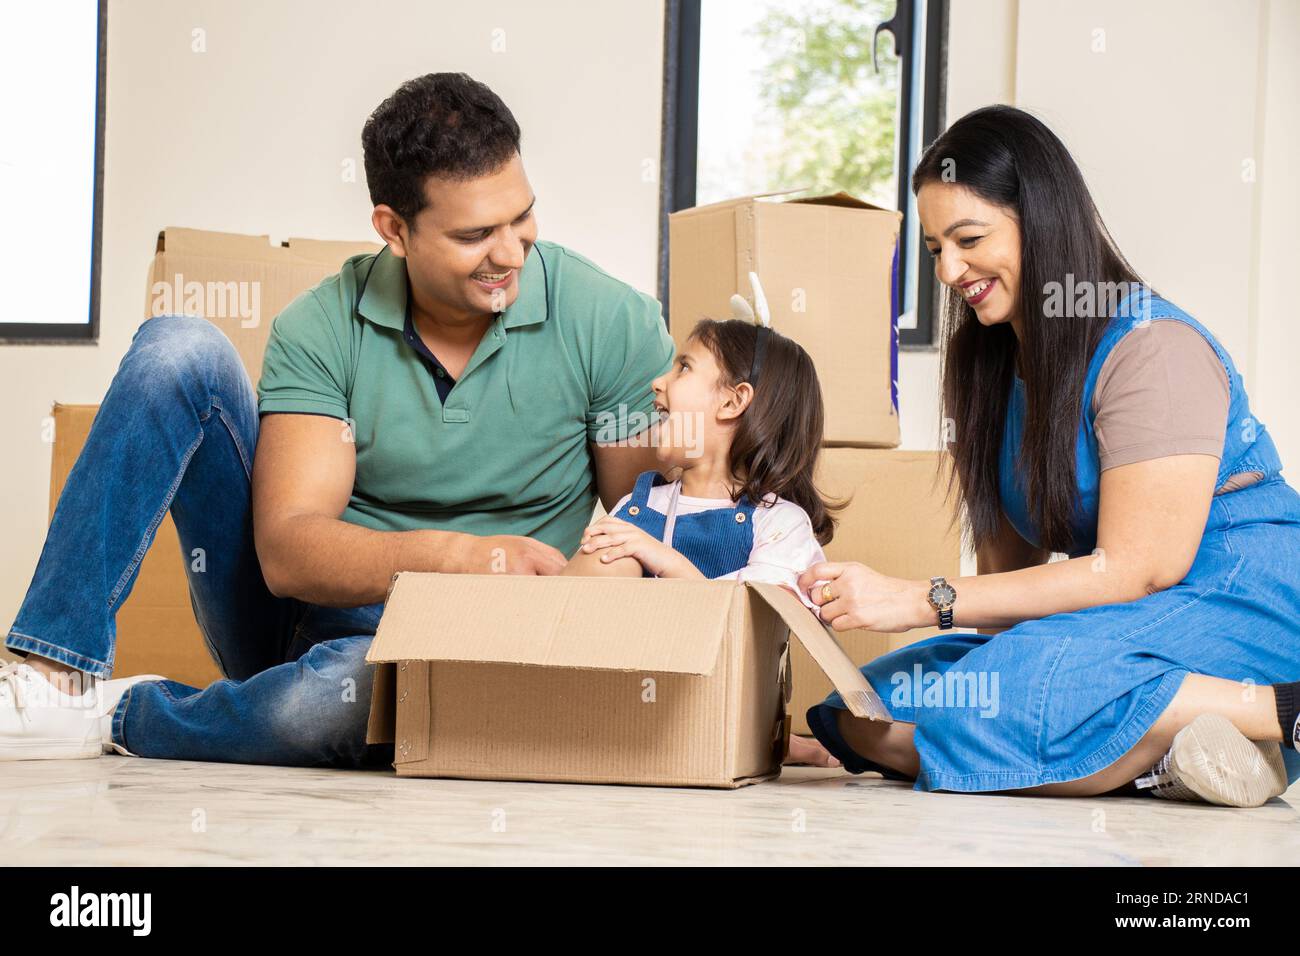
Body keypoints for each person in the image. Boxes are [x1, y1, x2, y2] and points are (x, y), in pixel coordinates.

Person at [0, 72, 672, 765]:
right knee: (177, 349)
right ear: (395, 229)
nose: (510, 254)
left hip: (487, 659)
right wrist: (458, 557)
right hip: (311, 630)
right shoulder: (321, 325)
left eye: (521, 217)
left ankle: (119, 716)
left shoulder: (609, 320)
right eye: (474, 234)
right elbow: (289, 552)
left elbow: (648, 523)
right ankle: (51, 680)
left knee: (330, 703)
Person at [802, 105, 1300, 807]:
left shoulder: (1152, 350)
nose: (948, 269)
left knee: (1023, 686)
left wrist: (916, 599)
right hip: (1126, 617)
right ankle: (1166, 748)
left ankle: (1274, 713)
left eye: (968, 239)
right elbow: (1007, 596)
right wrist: (965, 658)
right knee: (869, 703)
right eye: (935, 249)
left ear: (1042, 220)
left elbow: (1140, 570)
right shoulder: (994, 369)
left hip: (1239, 592)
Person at [566, 317, 843, 767]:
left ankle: (774, 740)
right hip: (620, 704)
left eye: (683, 368)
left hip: (722, 706)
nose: (658, 383)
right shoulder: (638, 507)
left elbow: (746, 623)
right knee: (605, 557)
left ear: (733, 401)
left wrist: (664, 560)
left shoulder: (779, 524)